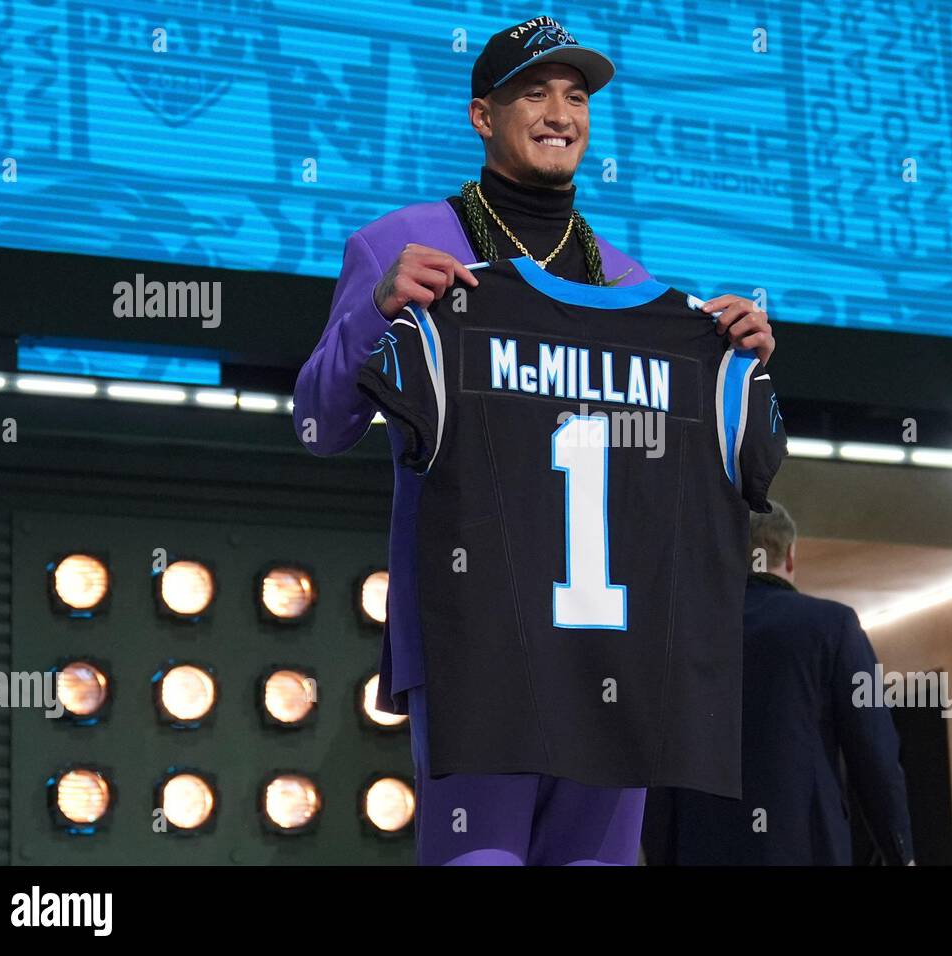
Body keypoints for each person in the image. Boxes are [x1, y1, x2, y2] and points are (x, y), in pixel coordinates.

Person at [293, 15, 775, 865]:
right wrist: (378, 311)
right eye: (534, 92)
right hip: (474, 637)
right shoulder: (399, 246)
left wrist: (738, 363)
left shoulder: (641, 288)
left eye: (576, 94)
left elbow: (720, 463)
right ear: (483, 116)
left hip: (616, 645)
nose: (560, 112)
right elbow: (319, 424)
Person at [642, 501, 916, 865]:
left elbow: (657, 777)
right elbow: (875, 755)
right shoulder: (832, 627)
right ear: (789, 556)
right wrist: (900, 854)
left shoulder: (677, 638)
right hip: (806, 847)